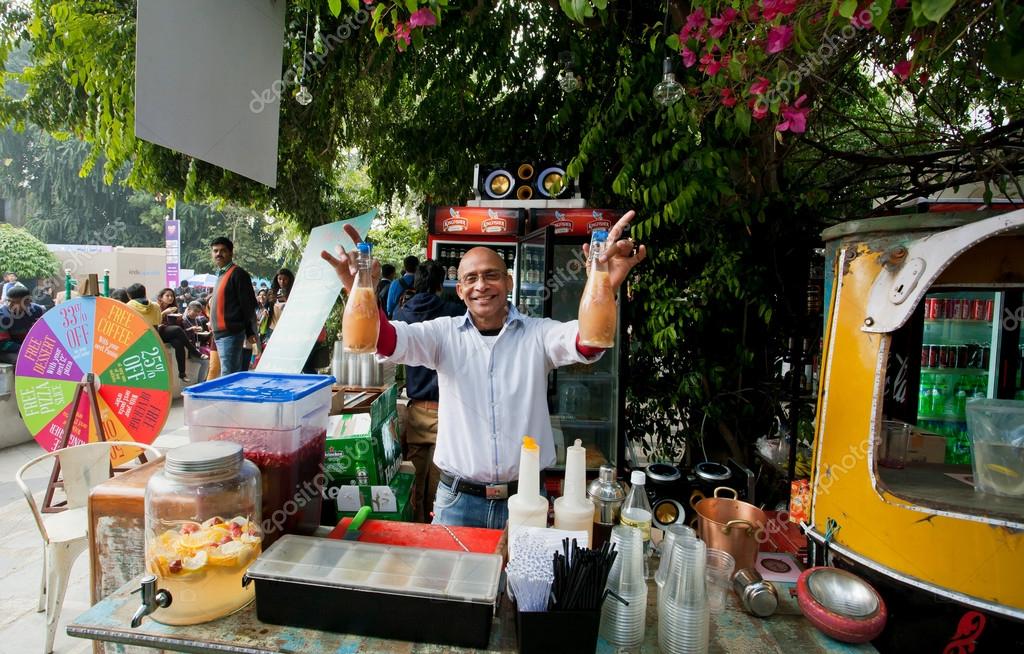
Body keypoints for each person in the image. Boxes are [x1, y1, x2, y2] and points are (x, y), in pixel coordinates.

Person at [322, 212, 646, 528]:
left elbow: (588, 342)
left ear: (508, 282)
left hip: (527, 500)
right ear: (460, 290)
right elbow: (386, 340)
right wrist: (359, 289)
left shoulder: (538, 334)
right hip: (457, 501)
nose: (481, 285)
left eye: (491, 275)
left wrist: (606, 284)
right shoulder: (442, 334)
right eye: (471, 278)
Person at [393, 261, 465, 522]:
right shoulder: (453, 312)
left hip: (417, 410)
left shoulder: (401, 313)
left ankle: (415, 526)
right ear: (440, 284)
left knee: (413, 478)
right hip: (446, 411)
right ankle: (435, 529)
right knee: (439, 484)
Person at [127, 284, 205, 383]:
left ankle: (182, 374)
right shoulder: (155, 306)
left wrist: (178, 319)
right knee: (177, 330)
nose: (170, 298)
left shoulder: (173, 308)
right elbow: (158, 322)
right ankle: (194, 352)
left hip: (160, 334)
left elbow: (176, 326)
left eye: (172, 296)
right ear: (161, 297)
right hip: (154, 334)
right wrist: (164, 313)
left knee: (178, 343)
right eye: (167, 296)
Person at [208, 237, 258, 375]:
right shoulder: (221, 274)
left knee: (228, 374)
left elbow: (247, 305)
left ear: (231, 253)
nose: (218, 254)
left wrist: (249, 331)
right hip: (219, 333)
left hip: (230, 333)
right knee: (227, 372)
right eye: (215, 251)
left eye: (223, 251)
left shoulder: (238, 274)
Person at [0, 284, 46, 364]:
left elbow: (45, 333)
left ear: (28, 302)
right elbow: (2, 343)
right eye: (9, 301)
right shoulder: (3, 316)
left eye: (15, 302)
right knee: (25, 360)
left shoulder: (38, 311)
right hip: (9, 351)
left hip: (32, 348)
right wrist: (26, 349)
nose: (10, 305)